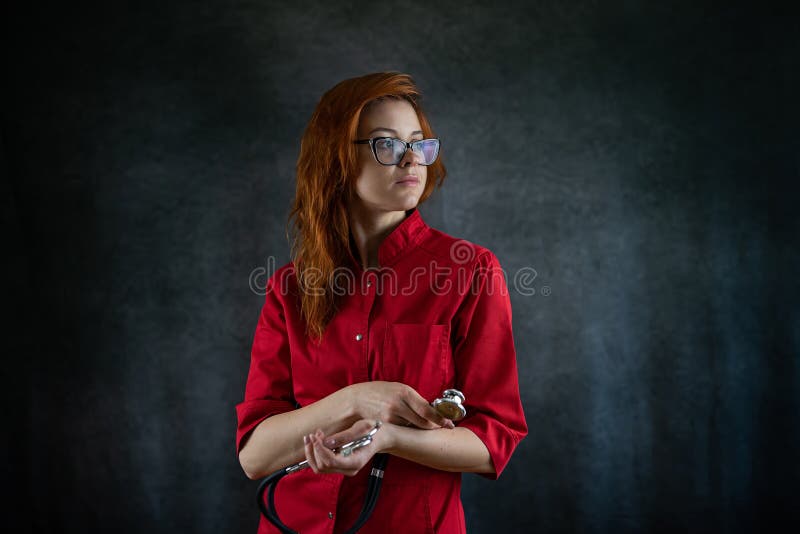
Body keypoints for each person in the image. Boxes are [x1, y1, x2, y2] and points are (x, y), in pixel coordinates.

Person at [236, 71, 527, 534]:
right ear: (336, 158)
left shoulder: (470, 271)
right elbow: (255, 455)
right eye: (387, 144)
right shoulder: (289, 289)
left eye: (420, 143)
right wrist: (355, 401)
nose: (413, 159)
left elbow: (494, 442)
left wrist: (389, 437)